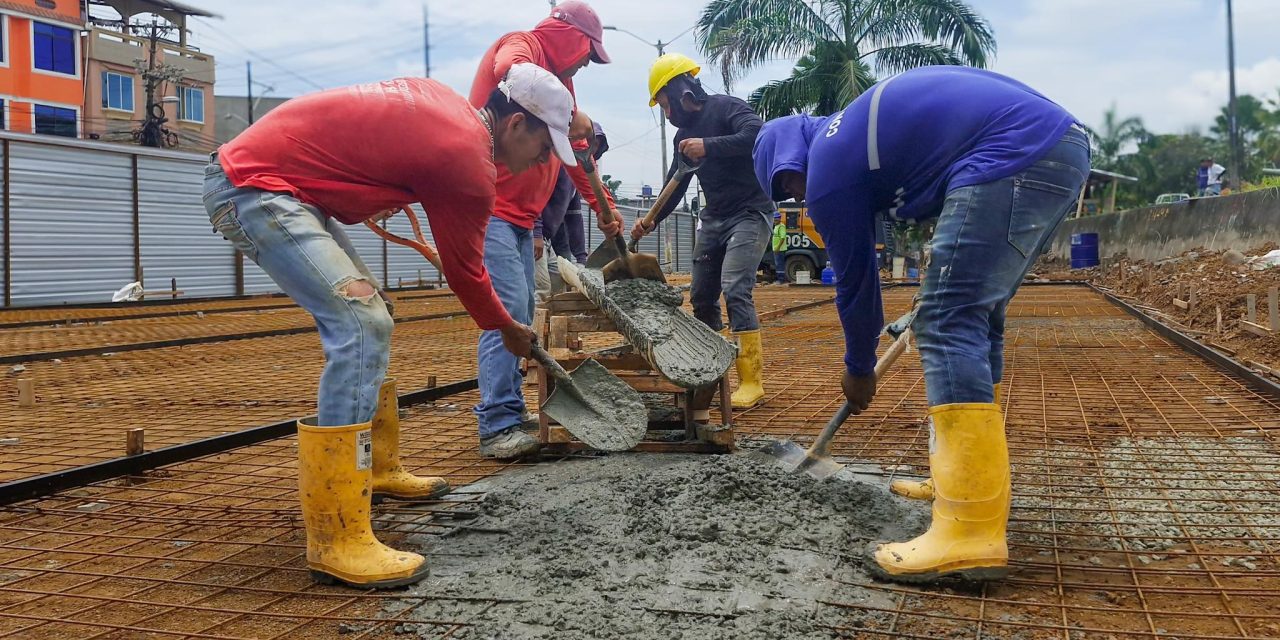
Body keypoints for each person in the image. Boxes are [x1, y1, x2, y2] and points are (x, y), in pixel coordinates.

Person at [203, 64, 576, 588]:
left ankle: (375, 468)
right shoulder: (468, 162)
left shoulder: (449, 109)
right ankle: (337, 534)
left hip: (286, 184)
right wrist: (507, 327)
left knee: (377, 313)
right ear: (516, 124)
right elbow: (468, 276)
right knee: (360, 321)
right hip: (254, 186)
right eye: (543, 146)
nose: (543, 160)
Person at [754, 66, 1090, 584]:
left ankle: (970, 531)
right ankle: (959, 485)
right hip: (1054, 145)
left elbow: (856, 282)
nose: (801, 198)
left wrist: (858, 367)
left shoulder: (828, 164)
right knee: (975, 316)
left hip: (1012, 152)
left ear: (787, 161)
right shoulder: (847, 137)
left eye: (789, 185)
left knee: (948, 321)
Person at [468, 0, 621, 459]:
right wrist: (561, 100)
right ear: (568, 35)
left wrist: (603, 206)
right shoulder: (525, 46)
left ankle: (509, 411)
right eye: (586, 53)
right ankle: (498, 426)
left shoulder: (562, 86)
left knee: (522, 309)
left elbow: (576, 155)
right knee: (508, 312)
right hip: (491, 207)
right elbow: (507, 66)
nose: (584, 63)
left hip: (519, 218)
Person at [632, 53, 773, 409]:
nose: (666, 114)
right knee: (702, 296)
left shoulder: (727, 108)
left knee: (736, 287)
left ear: (680, 92)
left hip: (750, 212)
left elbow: (757, 134)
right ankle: (711, 373)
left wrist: (708, 146)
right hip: (713, 218)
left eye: (664, 105)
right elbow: (674, 185)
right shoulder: (683, 135)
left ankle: (751, 381)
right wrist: (650, 220)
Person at [535, 123, 609, 301]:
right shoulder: (558, 166)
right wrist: (535, 232)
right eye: (592, 143)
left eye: (597, 147)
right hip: (531, 232)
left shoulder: (576, 179)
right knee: (541, 289)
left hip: (547, 240)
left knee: (558, 283)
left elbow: (574, 218)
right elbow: (533, 195)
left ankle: (546, 327)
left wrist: (581, 259)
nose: (593, 150)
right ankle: (530, 326)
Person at [771, 212, 788, 284]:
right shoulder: (776, 226)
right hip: (776, 249)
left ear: (779, 219)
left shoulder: (781, 226)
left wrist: (778, 247)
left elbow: (782, 238)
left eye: (776, 218)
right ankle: (780, 279)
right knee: (778, 264)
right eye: (774, 219)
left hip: (780, 249)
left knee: (779, 264)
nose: (775, 220)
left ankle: (781, 280)